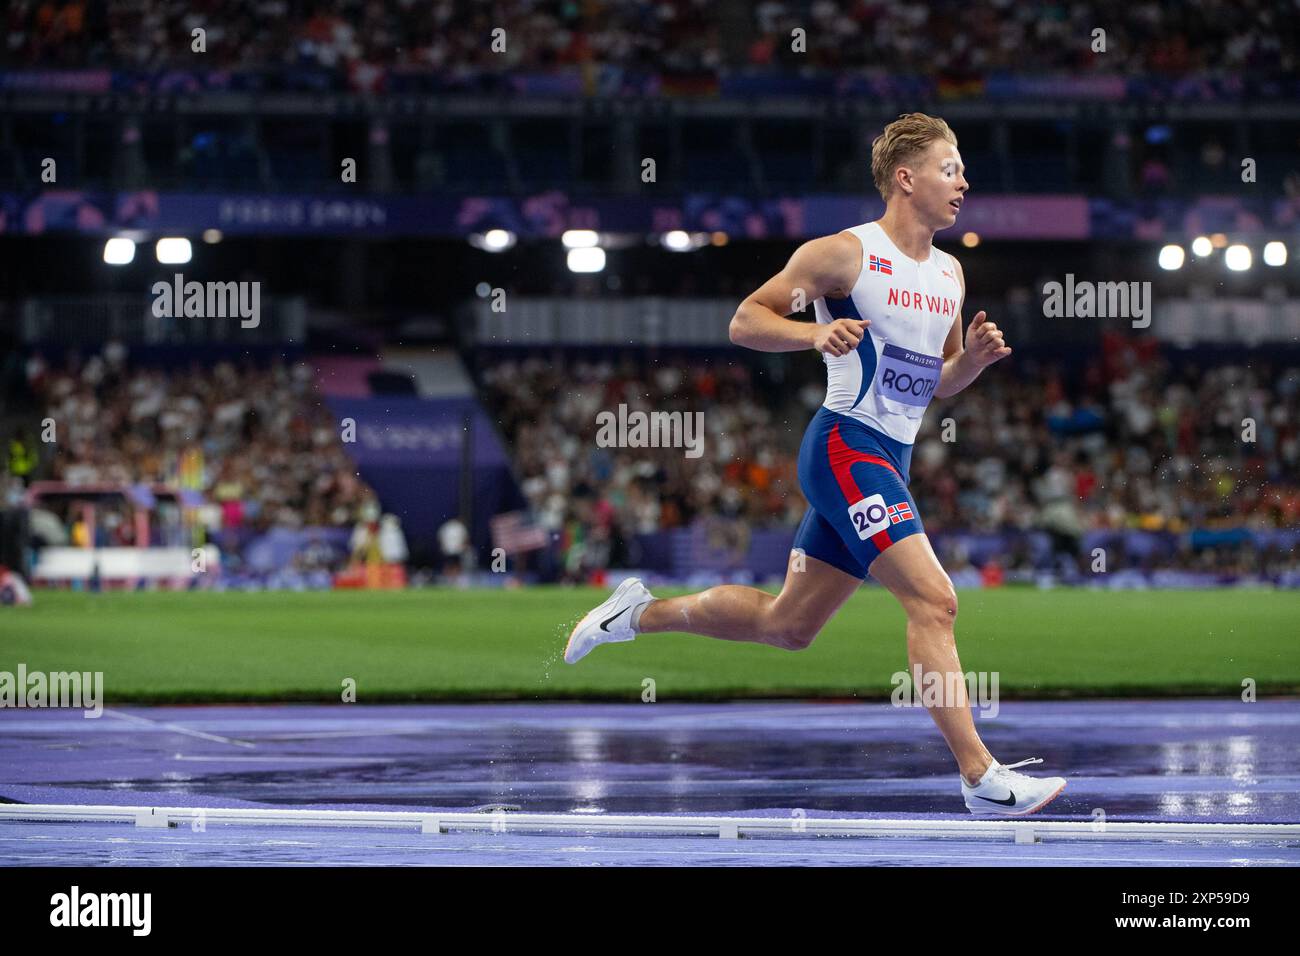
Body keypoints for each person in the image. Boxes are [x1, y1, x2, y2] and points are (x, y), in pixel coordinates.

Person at [562, 112, 1066, 816]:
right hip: (844, 447)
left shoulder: (951, 272)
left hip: (890, 455)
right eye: (951, 168)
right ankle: (980, 777)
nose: (965, 182)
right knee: (934, 600)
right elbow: (745, 320)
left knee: (787, 627)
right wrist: (814, 331)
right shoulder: (842, 256)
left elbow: (937, 380)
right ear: (905, 177)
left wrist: (970, 363)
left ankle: (637, 613)